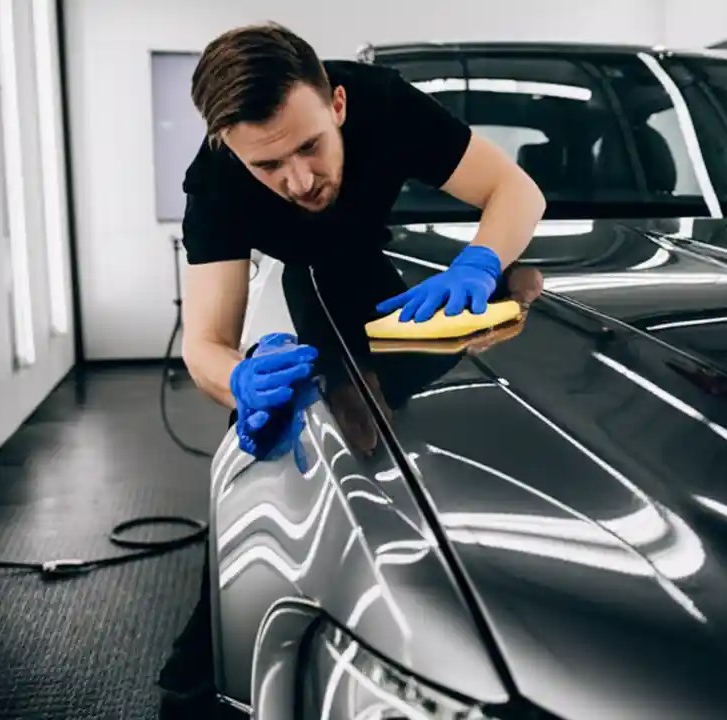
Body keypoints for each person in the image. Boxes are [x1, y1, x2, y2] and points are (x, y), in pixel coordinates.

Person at [158, 22, 545, 717]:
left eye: (309, 147)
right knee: (289, 442)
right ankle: (201, 678)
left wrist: (481, 260)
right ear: (232, 150)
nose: (299, 180)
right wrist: (238, 379)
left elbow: (515, 190)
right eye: (268, 166)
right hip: (309, 277)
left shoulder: (383, 102)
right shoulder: (215, 178)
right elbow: (205, 343)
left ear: (338, 104)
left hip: (379, 267)